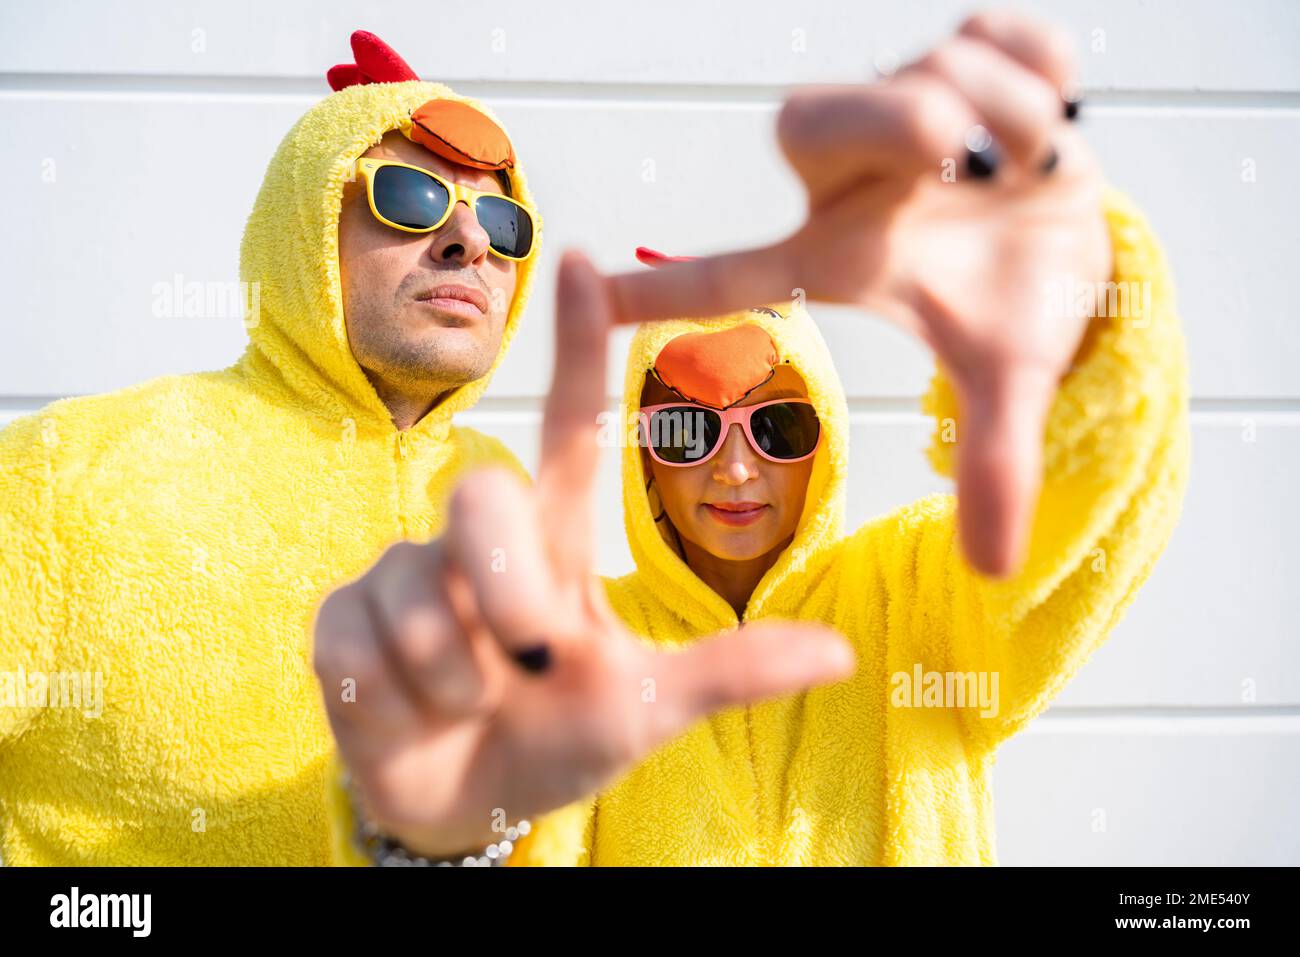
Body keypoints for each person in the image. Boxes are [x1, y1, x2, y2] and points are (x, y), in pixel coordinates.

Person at [314, 10, 1189, 865]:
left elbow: (1079, 526)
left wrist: (1081, 312)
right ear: (642, 454)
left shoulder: (919, 600)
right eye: (688, 429)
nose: (735, 467)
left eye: (779, 424)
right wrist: (446, 829)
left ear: (829, 434)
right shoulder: (587, 638)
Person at [0, 31, 545, 864]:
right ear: (305, 223)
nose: (468, 241)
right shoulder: (60, 475)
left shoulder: (507, 495)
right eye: (410, 196)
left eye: (503, 221)